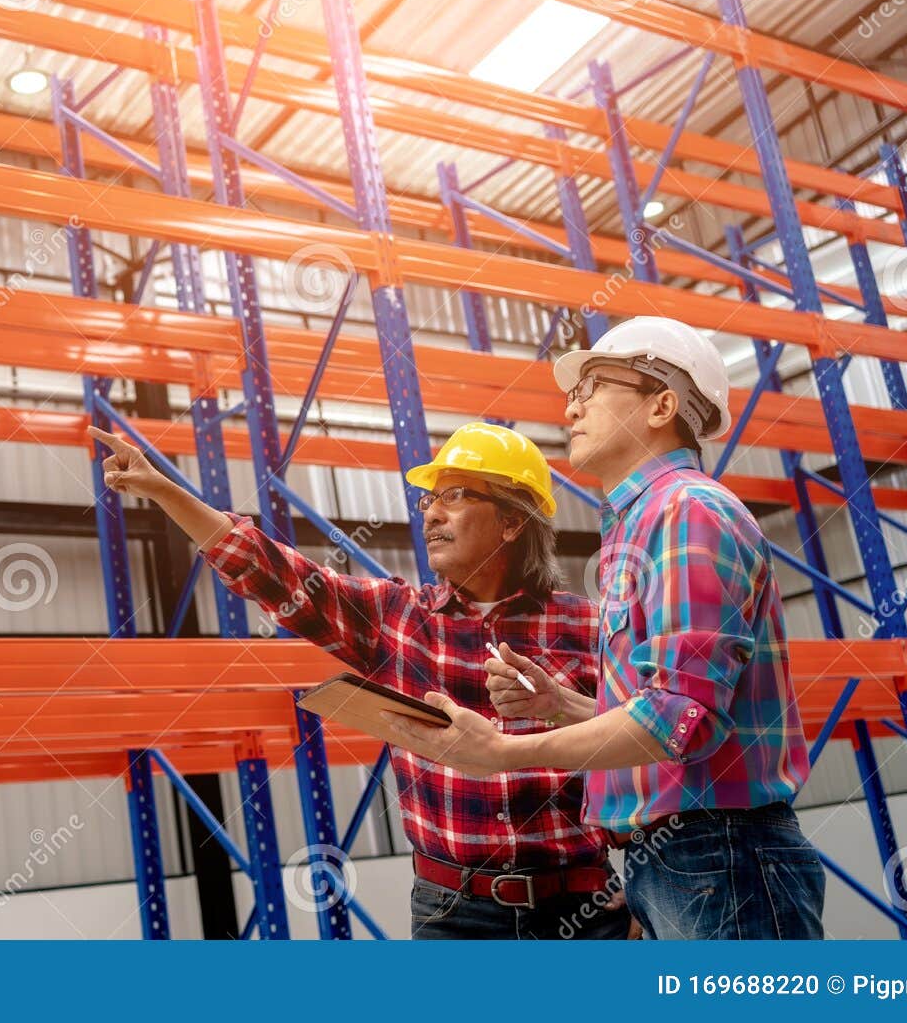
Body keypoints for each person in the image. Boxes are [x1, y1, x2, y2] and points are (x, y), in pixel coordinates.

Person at [85, 420, 628, 940]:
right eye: (427, 500)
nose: (432, 514)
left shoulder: (587, 625)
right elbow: (270, 570)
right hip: (455, 916)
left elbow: (640, 753)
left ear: (512, 521)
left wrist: (645, 896)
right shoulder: (396, 618)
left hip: (584, 907)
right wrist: (164, 491)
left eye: (455, 495)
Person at [378, 317, 823, 940]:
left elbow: (677, 719)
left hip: (718, 854)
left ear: (662, 405)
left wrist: (503, 753)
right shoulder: (639, 527)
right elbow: (665, 709)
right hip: (678, 858)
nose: (572, 403)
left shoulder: (687, 512)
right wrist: (561, 705)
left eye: (594, 386)